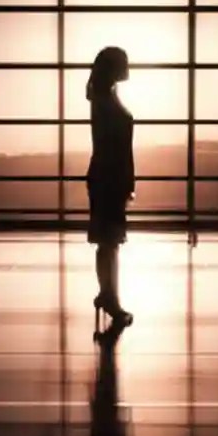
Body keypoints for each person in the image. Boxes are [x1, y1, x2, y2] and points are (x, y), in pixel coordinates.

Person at [86, 46, 135, 332]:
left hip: (107, 176)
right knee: (109, 241)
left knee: (109, 241)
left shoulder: (105, 97)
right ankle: (109, 297)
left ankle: (108, 294)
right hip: (109, 177)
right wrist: (124, 180)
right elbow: (115, 148)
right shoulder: (106, 101)